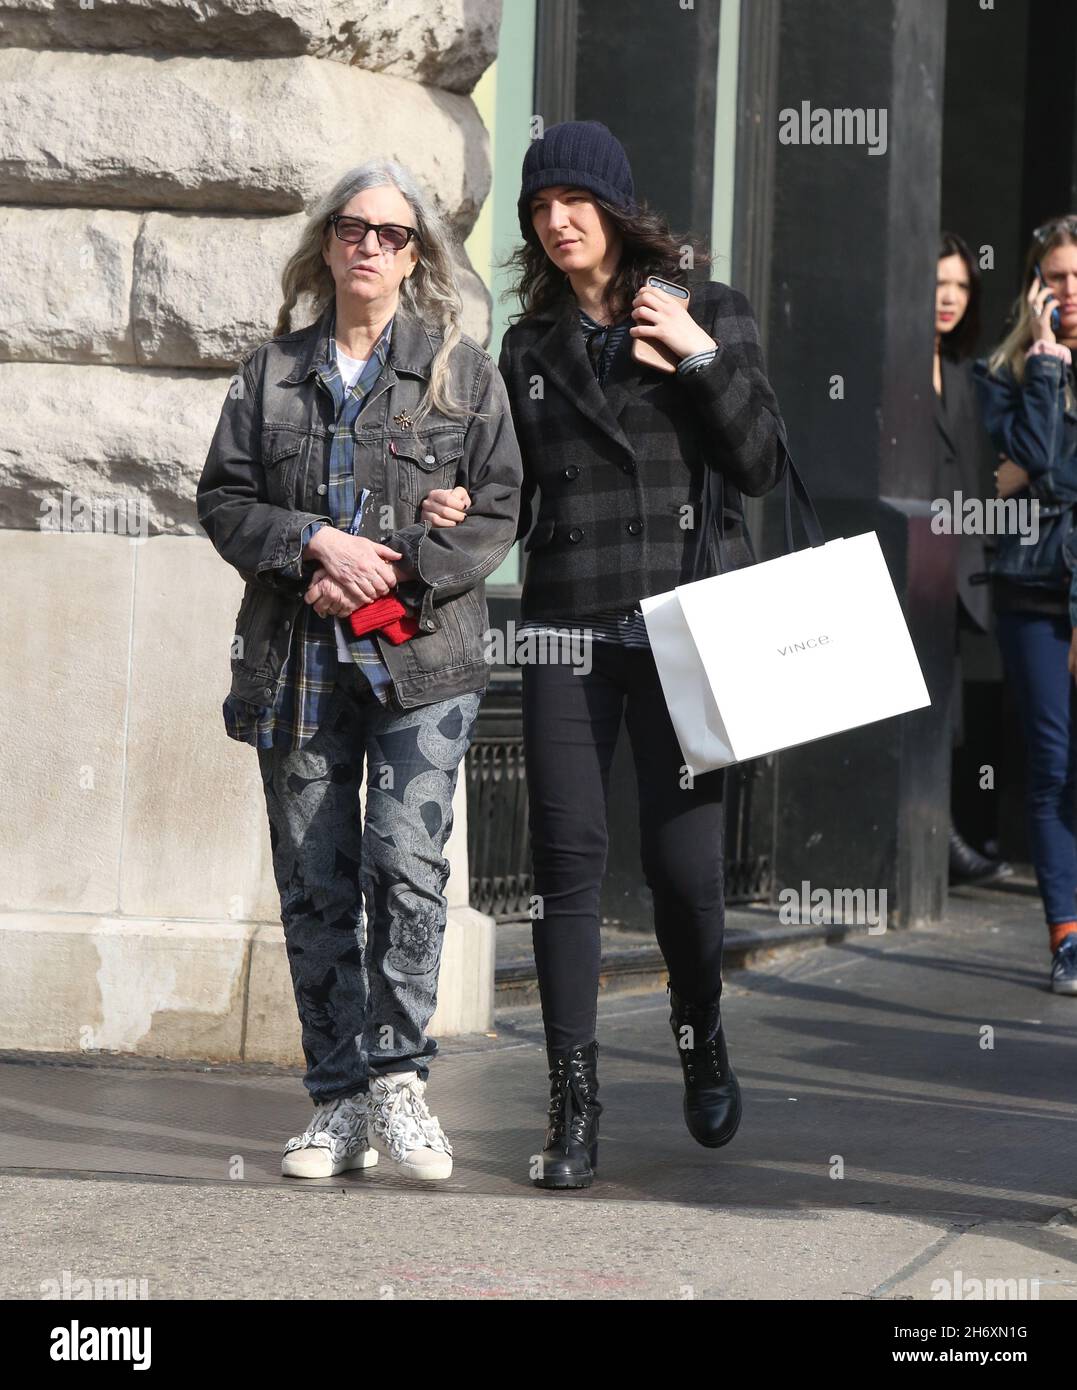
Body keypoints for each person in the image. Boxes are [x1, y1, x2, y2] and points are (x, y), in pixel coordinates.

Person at [421, 121, 790, 1188]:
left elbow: (762, 462)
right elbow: (516, 495)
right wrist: (466, 502)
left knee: (685, 881)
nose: (557, 219)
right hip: (567, 627)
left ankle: (698, 1026)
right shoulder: (529, 349)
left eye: (575, 200)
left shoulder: (705, 310)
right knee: (564, 866)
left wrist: (699, 353)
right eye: (541, 207)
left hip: (686, 630)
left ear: (618, 209)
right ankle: (572, 1107)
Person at [197, 161, 522, 1178]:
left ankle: (399, 1083)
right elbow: (224, 500)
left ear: (415, 253)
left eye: (390, 232)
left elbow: (501, 505)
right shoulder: (269, 373)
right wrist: (312, 547)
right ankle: (335, 1100)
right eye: (352, 229)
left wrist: (394, 573)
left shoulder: (462, 375)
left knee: (405, 865)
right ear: (327, 245)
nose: (368, 246)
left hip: (422, 663)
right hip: (296, 661)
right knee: (314, 877)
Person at [973, 215, 1077, 994]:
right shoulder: (1003, 375)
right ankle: (1066, 938)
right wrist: (1045, 364)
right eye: (1054, 279)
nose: (1067, 292)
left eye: (1076, 277)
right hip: (1033, 595)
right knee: (1049, 767)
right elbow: (1034, 461)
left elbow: (1036, 479)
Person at [933, 231, 1012, 885]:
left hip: (948, 570)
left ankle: (938, 832)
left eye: (960, 286)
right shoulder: (898, 364)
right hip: (896, 563)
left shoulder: (964, 374)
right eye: (937, 284)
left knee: (942, 713)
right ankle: (934, 835)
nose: (949, 298)